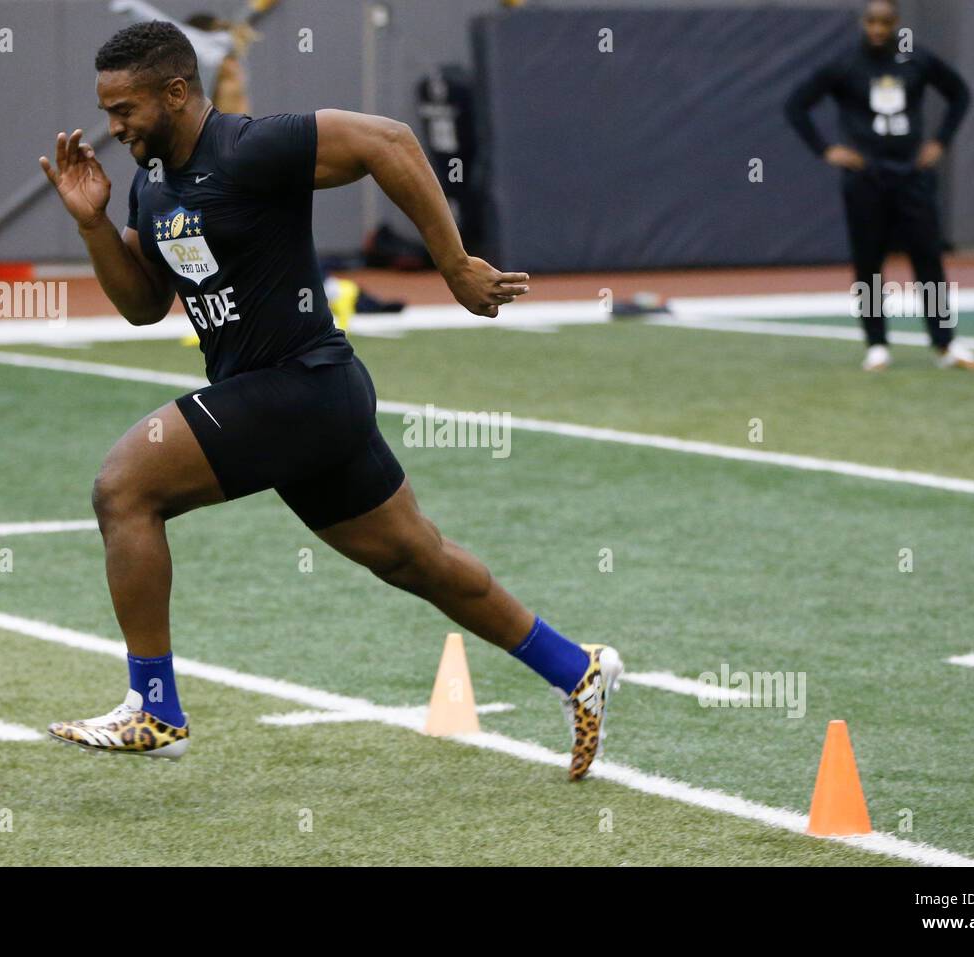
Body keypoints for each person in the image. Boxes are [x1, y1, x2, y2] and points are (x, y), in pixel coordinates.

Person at [37, 21, 622, 780]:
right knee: (418, 559)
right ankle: (578, 667)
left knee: (123, 486)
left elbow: (390, 141)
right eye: (107, 110)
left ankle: (156, 707)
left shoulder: (250, 147)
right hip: (299, 404)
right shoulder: (151, 185)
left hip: (303, 386)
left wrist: (452, 265)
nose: (112, 128)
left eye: (124, 109)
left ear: (176, 93)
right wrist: (93, 226)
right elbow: (146, 306)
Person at [784, 0, 974, 372]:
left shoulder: (916, 59)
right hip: (866, 178)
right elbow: (796, 105)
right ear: (863, 22)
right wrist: (826, 150)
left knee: (928, 259)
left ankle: (944, 343)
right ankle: (876, 344)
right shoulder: (844, 64)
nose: (877, 30)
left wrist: (940, 141)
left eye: (885, 23)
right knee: (868, 262)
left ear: (897, 24)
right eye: (872, 22)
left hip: (911, 175)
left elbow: (960, 93)